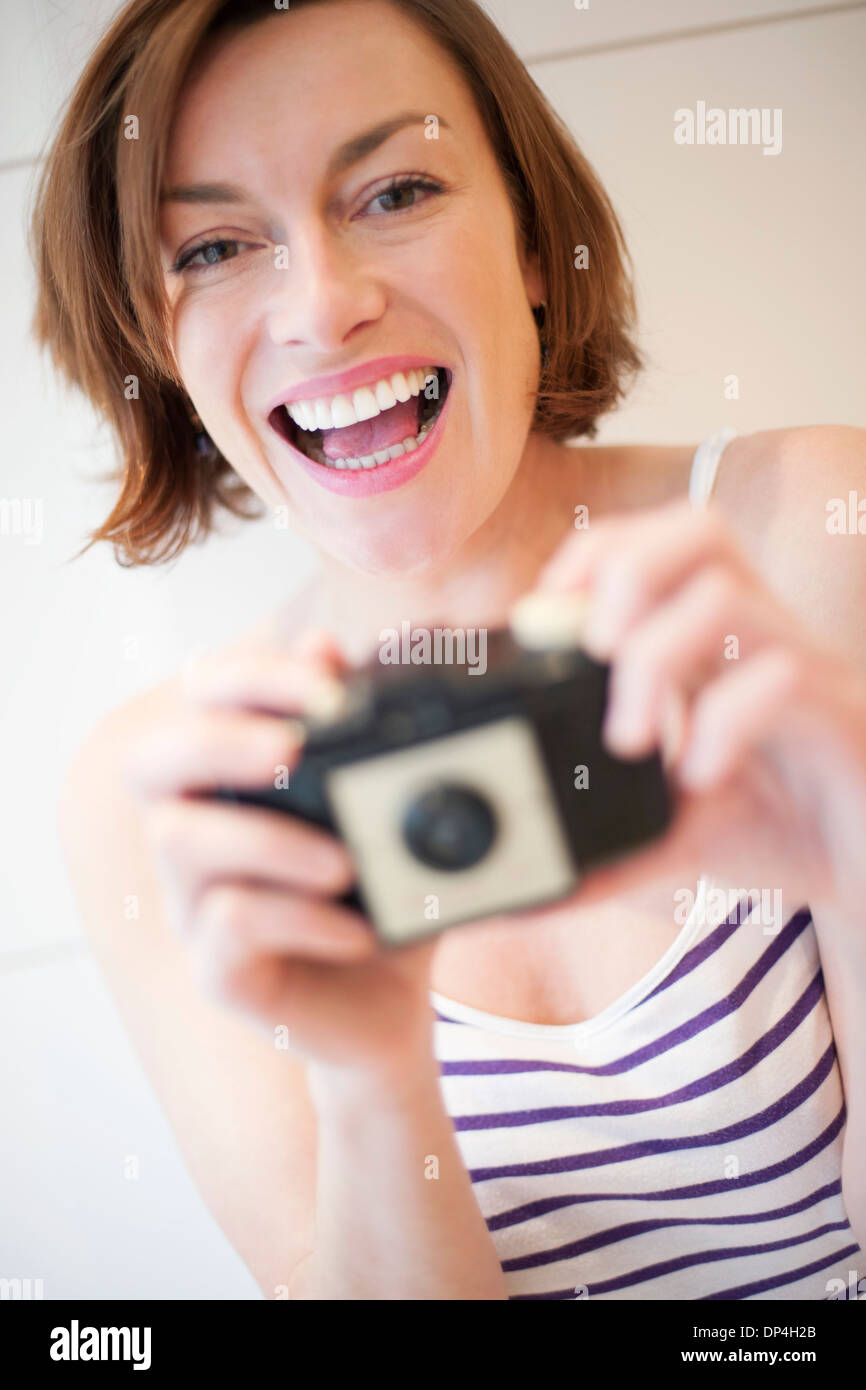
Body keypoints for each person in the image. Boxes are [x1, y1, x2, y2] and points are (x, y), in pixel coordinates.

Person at [33, 0, 866, 1300]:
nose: (323, 304)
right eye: (213, 246)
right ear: (161, 346)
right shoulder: (161, 798)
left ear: (533, 236)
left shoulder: (807, 534)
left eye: (394, 189)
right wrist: (374, 1076)